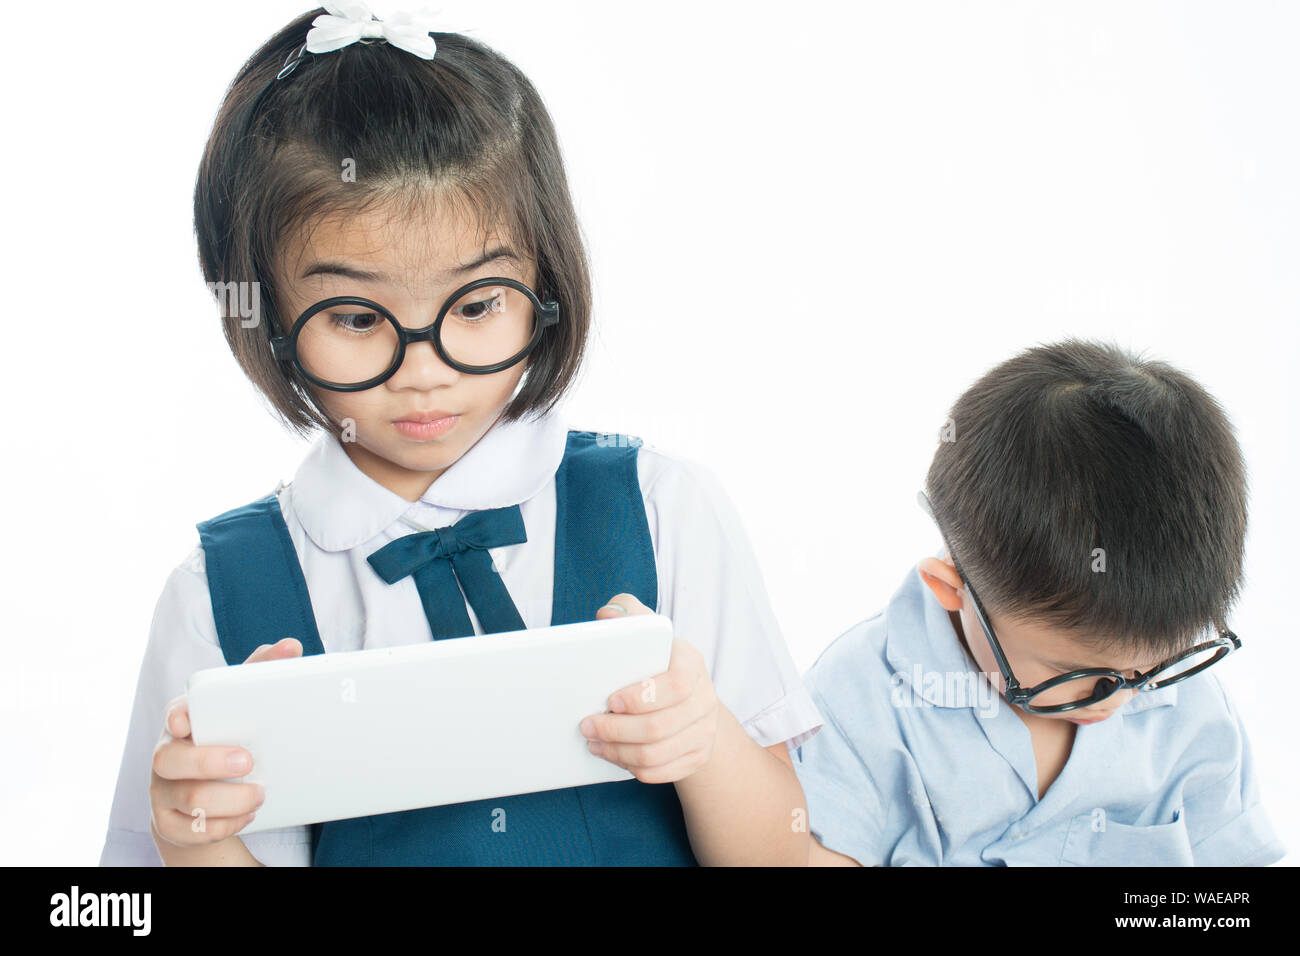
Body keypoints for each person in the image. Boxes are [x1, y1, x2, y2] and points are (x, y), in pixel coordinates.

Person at [98, 4, 820, 866]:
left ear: (545, 277)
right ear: (265, 313)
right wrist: (197, 844)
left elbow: (785, 852)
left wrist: (703, 743)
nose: (423, 369)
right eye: (358, 316)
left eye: (475, 306)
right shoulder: (218, 595)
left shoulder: (660, 508)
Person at [795, 339, 1285, 866]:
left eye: (1150, 666)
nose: (1118, 698)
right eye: (1073, 670)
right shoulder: (857, 706)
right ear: (952, 589)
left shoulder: (1191, 709)